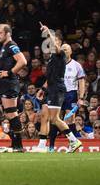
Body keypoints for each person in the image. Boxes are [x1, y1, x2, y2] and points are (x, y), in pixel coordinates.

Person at [36, 25, 83, 153]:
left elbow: (56, 46)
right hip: (52, 89)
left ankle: (74, 141)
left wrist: (48, 32)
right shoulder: (52, 57)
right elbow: (50, 77)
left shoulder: (60, 53)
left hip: (57, 89)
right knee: (52, 118)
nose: (52, 43)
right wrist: (43, 90)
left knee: (55, 119)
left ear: (59, 43)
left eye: (55, 41)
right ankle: (72, 141)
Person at [0, 23, 28, 152]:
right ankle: (15, 144)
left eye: (0, 33)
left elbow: (23, 61)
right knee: (9, 114)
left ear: (7, 33)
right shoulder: (4, 46)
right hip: (4, 84)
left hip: (9, 83)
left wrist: (9, 72)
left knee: (12, 113)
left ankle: (18, 145)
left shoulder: (12, 46)